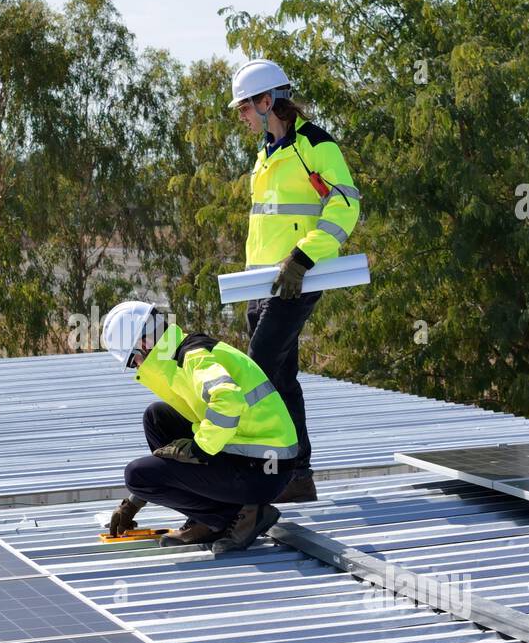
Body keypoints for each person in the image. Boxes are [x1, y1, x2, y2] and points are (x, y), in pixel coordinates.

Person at [228, 59, 362, 502]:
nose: (242, 116)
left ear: (268, 102)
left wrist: (303, 258)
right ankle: (298, 477)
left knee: (257, 370)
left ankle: (247, 474)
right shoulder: (266, 152)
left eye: (245, 107)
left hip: (296, 280)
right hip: (261, 283)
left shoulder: (316, 146)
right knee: (281, 378)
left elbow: (344, 209)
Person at [100, 300, 297, 554]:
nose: (136, 367)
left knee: (137, 475)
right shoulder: (182, 351)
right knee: (157, 418)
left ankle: (232, 516)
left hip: (265, 469)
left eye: (132, 361)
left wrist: (199, 449)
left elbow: (228, 399)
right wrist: (135, 501)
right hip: (258, 457)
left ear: (144, 345)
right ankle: (210, 516)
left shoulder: (193, 358)